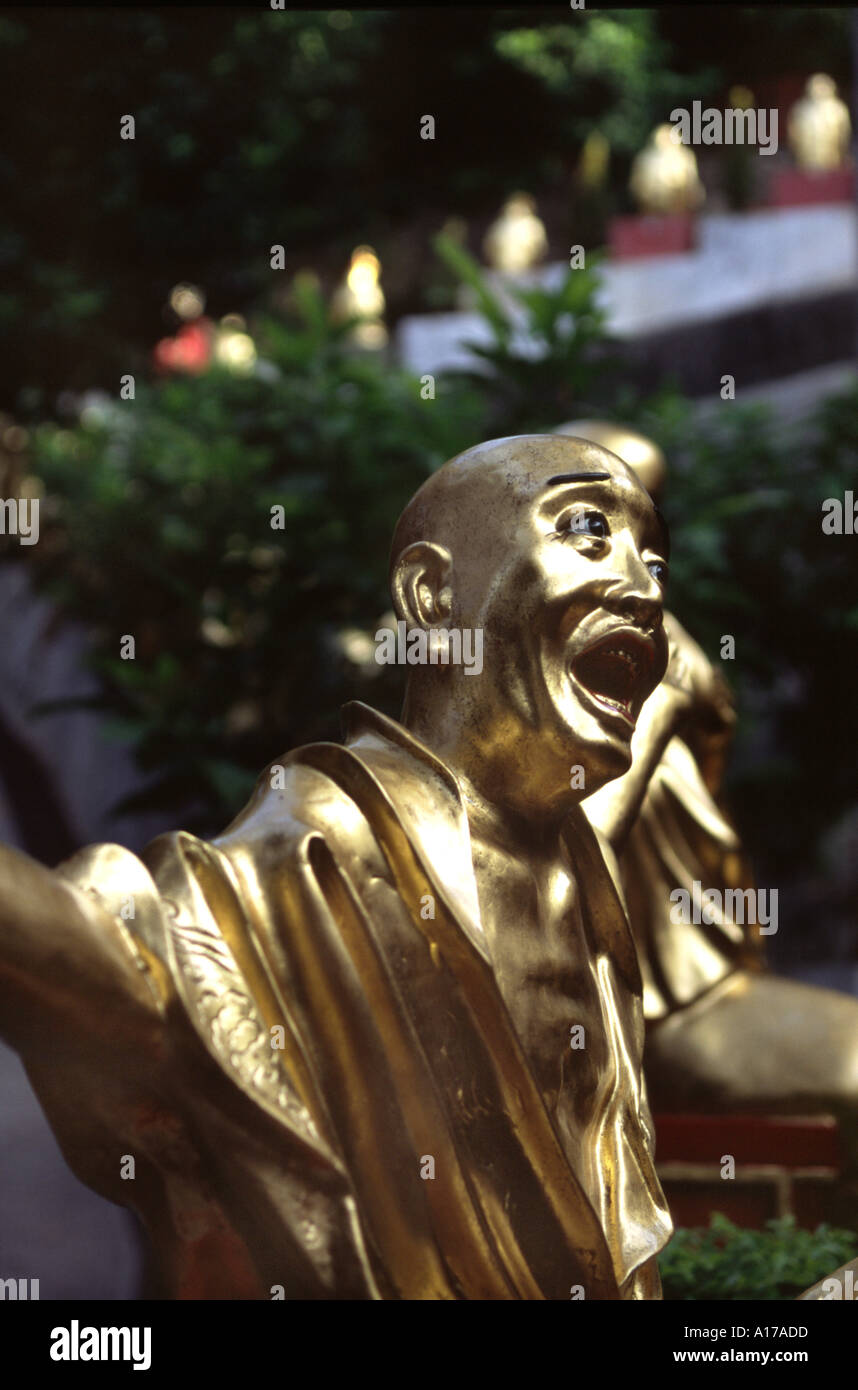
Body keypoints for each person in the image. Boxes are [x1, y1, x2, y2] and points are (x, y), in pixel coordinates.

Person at [0, 434, 698, 1299]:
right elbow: (120, 958)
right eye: (587, 531)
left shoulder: (576, 868)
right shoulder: (315, 857)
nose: (642, 591)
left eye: (656, 564)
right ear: (432, 596)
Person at [558, 420, 858, 1236]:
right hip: (630, 1014)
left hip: (704, 968)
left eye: (643, 528)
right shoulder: (534, 681)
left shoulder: (652, 639)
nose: (632, 562)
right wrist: (662, 709)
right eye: (590, 526)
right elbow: (553, 867)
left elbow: (705, 789)